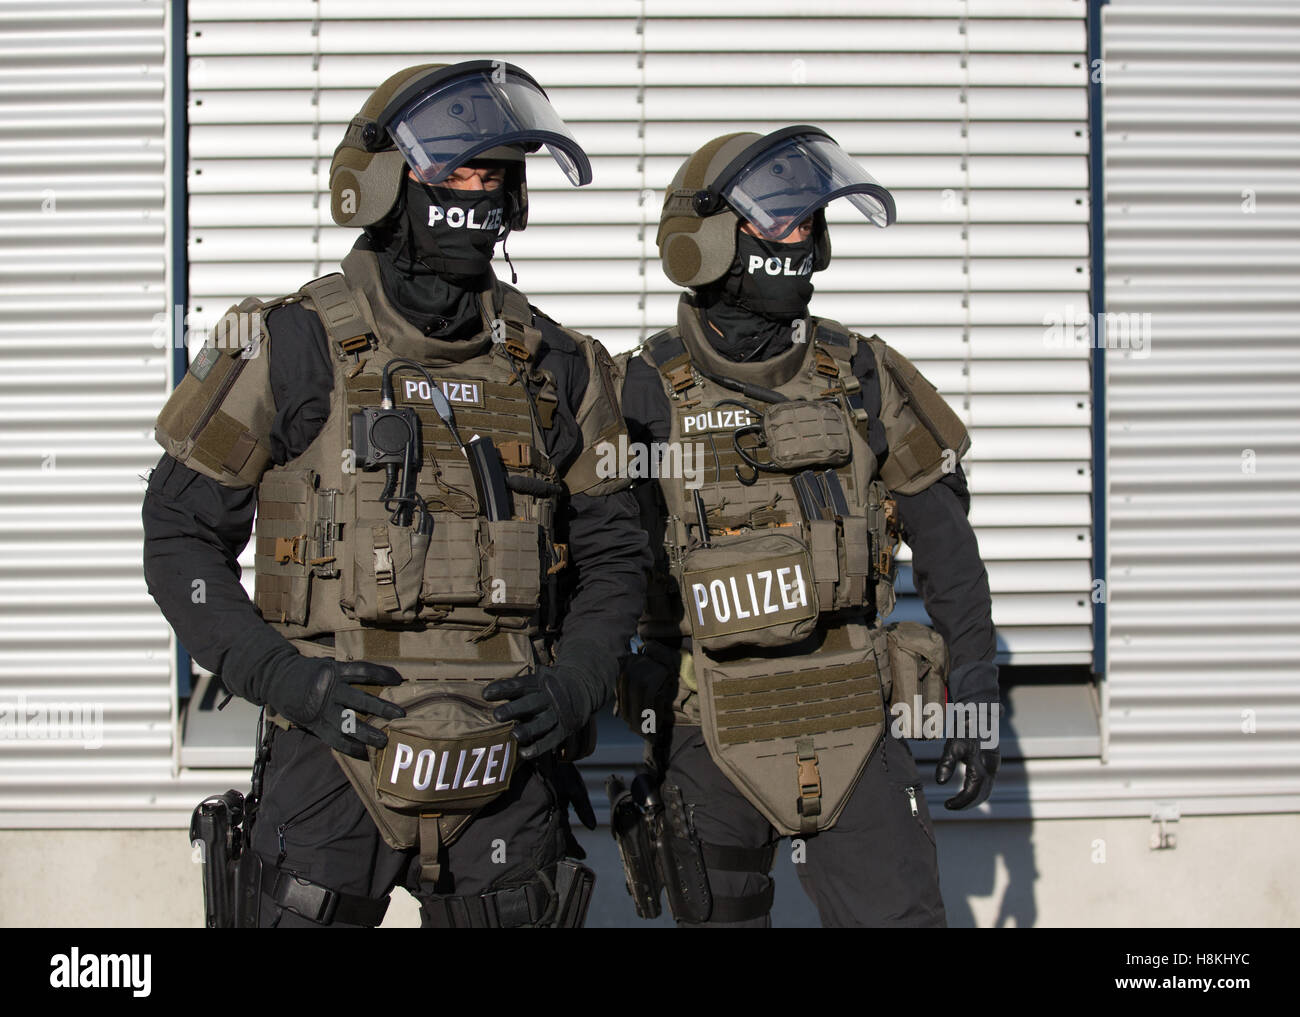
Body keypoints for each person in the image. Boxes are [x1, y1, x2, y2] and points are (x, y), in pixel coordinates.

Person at [144, 60, 648, 928]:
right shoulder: (287, 344)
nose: (477, 194)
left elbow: (615, 555)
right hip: (331, 755)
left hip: (507, 763)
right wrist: (285, 681)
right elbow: (179, 536)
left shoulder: (562, 367)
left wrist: (578, 681)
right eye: (455, 171)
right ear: (383, 184)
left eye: (494, 173)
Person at [613, 126, 1000, 927]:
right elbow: (596, 564)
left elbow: (945, 542)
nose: (801, 241)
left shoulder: (861, 373)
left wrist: (979, 685)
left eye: (807, 224)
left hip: (852, 718)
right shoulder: (641, 392)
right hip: (707, 724)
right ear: (709, 238)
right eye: (778, 223)